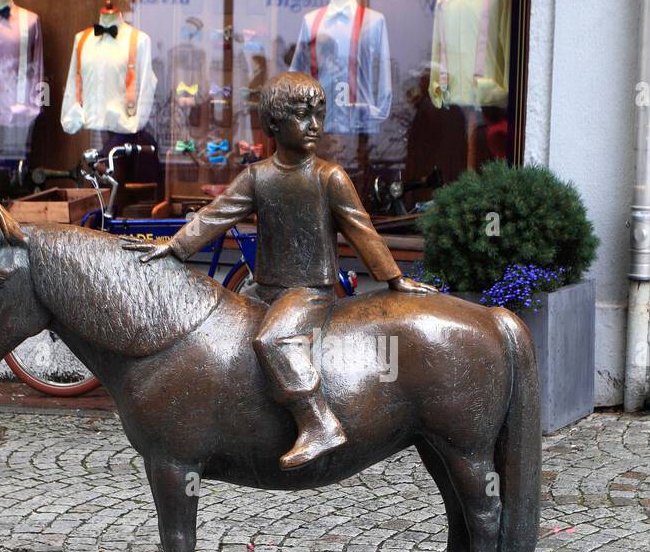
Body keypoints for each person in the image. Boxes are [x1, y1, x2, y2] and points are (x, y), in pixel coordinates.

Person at [127, 71, 437, 469]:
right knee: (223, 331)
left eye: (319, 115)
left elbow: (362, 229)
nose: (314, 125)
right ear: (274, 123)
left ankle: (319, 421)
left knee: (273, 340)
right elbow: (215, 216)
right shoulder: (258, 177)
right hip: (263, 288)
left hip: (307, 292)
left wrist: (393, 277)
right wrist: (175, 246)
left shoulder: (330, 177)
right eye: (302, 115)